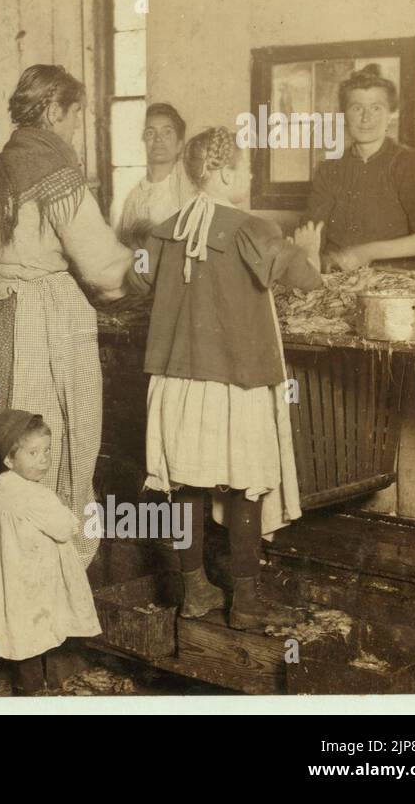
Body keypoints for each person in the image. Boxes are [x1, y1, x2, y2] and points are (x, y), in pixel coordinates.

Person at [129, 128, 322, 631]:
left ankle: (194, 590)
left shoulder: (164, 229)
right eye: (249, 168)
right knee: (244, 488)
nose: (252, 176)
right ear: (228, 173)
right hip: (238, 381)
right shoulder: (251, 229)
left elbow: (136, 279)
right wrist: (312, 250)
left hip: (176, 381)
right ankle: (248, 602)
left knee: (187, 485)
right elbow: (307, 280)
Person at [0, 64, 131, 576]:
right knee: (42, 434)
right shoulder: (51, 167)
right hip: (32, 320)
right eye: (75, 117)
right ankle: (47, 572)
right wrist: (135, 274)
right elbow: (100, 264)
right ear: (53, 111)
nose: (75, 129)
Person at [0, 410, 101, 695]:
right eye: (33, 453)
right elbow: (64, 528)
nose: (44, 459)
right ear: (10, 459)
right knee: (34, 631)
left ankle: (15, 682)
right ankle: (33, 691)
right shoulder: (36, 495)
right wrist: (67, 510)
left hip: (6, 573)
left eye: (47, 450)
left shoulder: (0, 485)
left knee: (15, 629)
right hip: (31, 577)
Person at [303, 64, 415, 270]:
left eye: (376, 108)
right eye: (357, 108)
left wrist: (364, 252)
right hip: (338, 282)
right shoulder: (328, 170)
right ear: (344, 115)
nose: (366, 117)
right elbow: (311, 235)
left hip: (400, 284)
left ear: (391, 114)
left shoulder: (413, 163)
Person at [115, 102, 196, 247]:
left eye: (167, 132)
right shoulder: (134, 197)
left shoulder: (189, 191)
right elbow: (126, 248)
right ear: (143, 143)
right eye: (150, 133)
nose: (158, 139)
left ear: (179, 145)